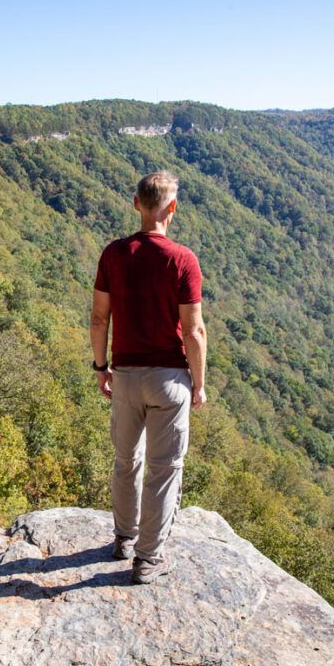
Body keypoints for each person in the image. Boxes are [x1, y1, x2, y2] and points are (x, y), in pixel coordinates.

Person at [89, 170, 207, 585]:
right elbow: (194, 331)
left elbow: (99, 318)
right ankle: (148, 559)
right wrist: (199, 382)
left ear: (136, 203)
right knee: (164, 469)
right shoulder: (182, 259)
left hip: (125, 376)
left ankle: (124, 539)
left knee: (126, 461)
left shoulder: (114, 254)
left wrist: (101, 368)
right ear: (172, 208)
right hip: (169, 379)